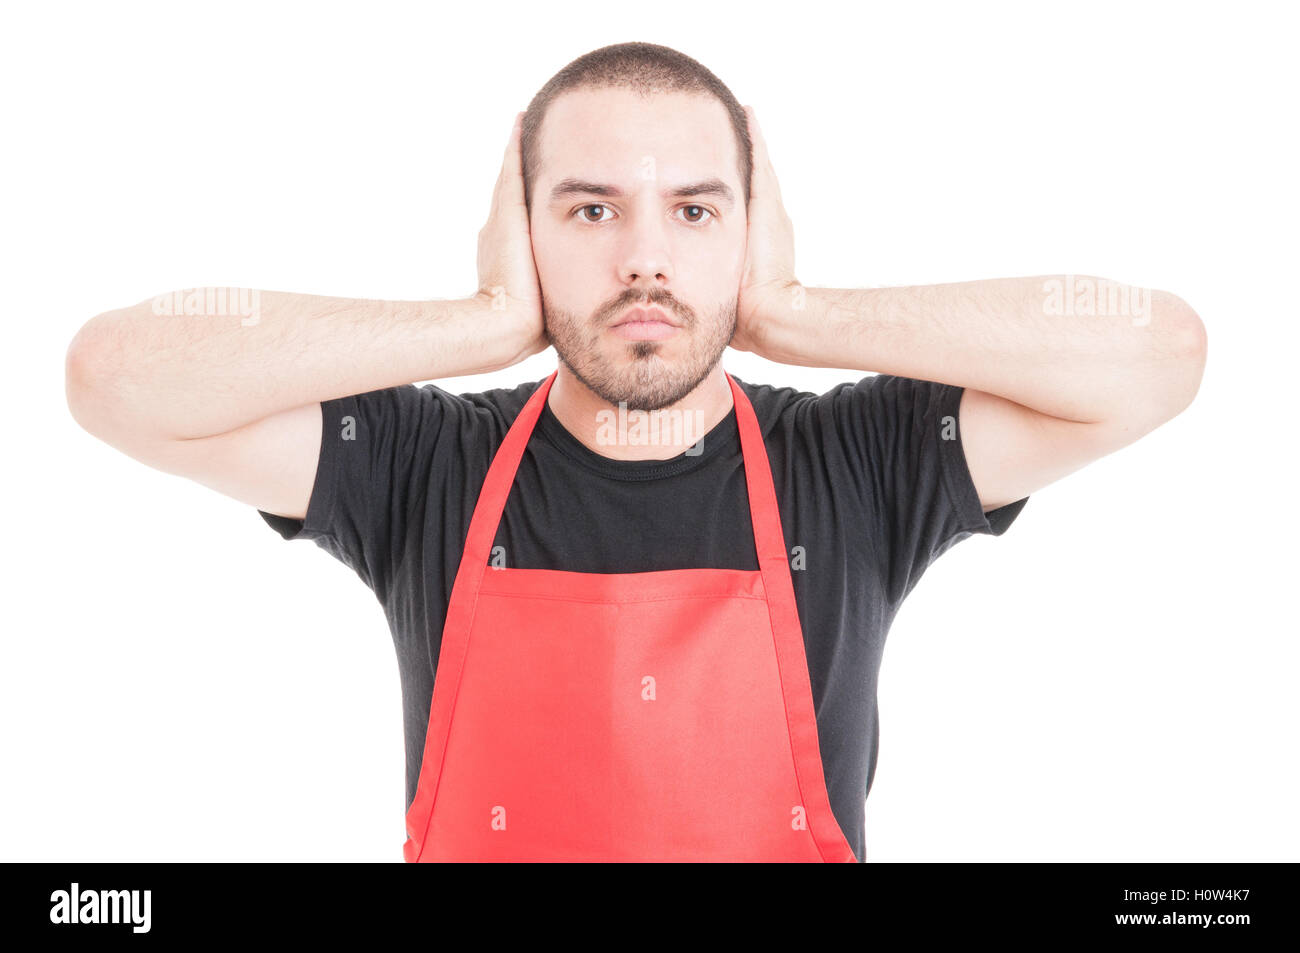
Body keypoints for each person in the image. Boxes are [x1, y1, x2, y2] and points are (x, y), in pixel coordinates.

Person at [64, 42, 1207, 862]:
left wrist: (798, 312)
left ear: (751, 235)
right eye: (591, 211)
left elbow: (1159, 354)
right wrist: (481, 321)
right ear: (524, 230)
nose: (644, 261)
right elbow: (115, 379)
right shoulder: (420, 465)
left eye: (696, 213)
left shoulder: (857, 461)